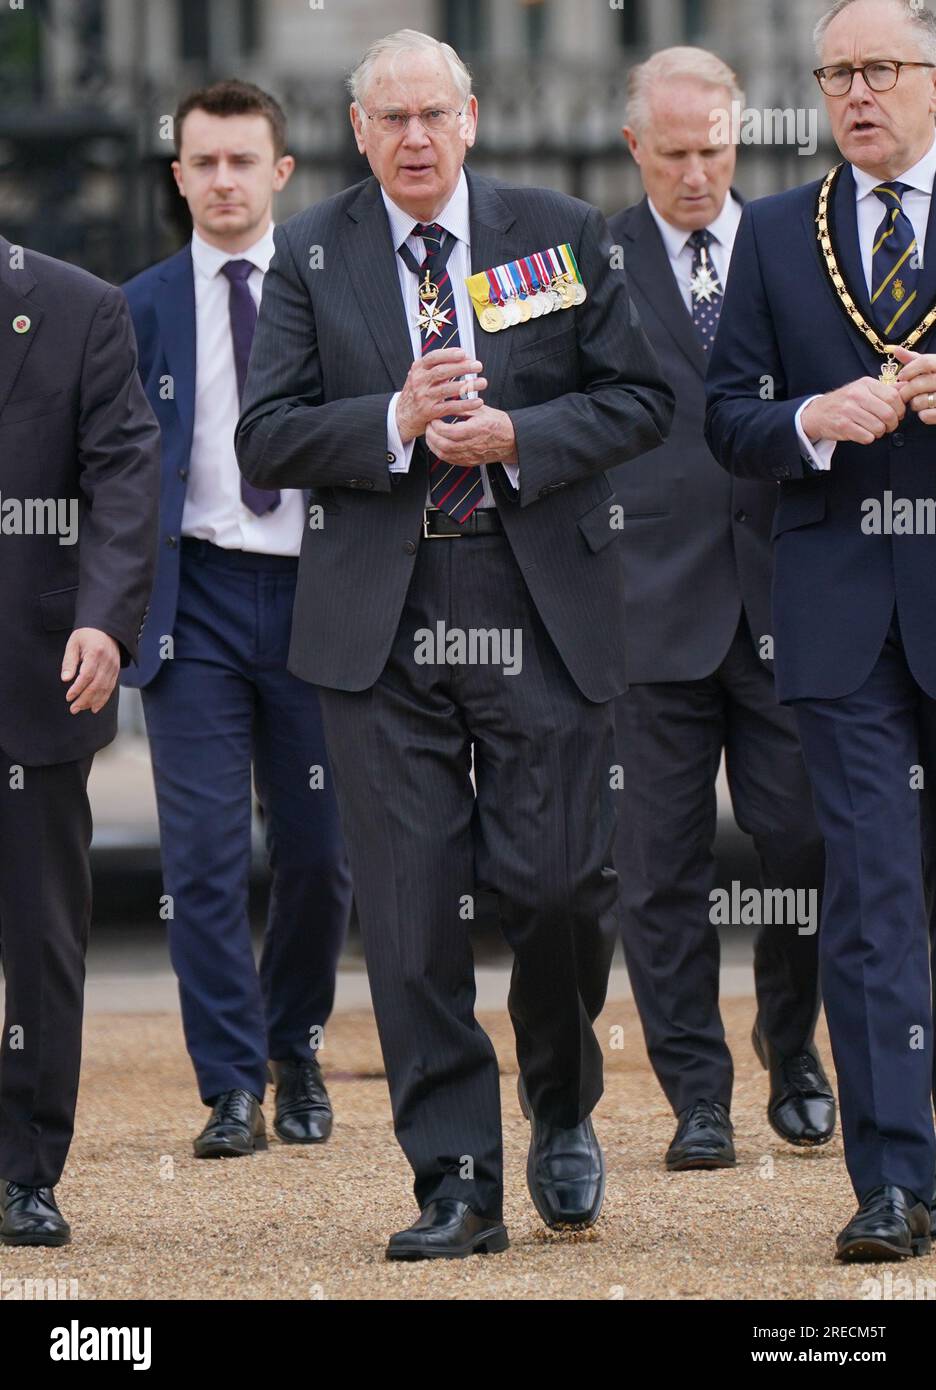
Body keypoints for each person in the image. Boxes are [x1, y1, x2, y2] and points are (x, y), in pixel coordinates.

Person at [236, 28, 673, 1258]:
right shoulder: (315, 252)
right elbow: (262, 436)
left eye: (434, 114)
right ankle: (459, 1178)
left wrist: (517, 435)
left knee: (557, 889)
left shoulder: (562, 231)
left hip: (536, 598)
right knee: (415, 913)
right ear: (359, 131)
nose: (415, 138)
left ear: (471, 117)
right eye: (392, 120)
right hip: (380, 618)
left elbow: (640, 399)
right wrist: (392, 420)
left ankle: (562, 1105)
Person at [706, 0, 936, 1261]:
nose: (857, 92)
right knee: (870, 901)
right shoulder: (781, 234)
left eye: (881, 69)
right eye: (837, 72)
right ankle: (893, 1178)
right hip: (841, 618)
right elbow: (723, 415)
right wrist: (810, 419)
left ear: (932, 82)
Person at [608, 47, 833, 1174]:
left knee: (801, 842)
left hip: (788, 595)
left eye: (715, 150)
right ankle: (696, 1092)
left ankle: (791, 1049)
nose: (697, 174)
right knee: (658, 870)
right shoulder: (576, 263)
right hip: (641, 613)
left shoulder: (800, 247)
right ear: (635, 146)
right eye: (675, 151)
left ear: (738, 141)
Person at [122, 80, 352, 1159]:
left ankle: (296, 1048)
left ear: (282, 172)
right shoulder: (140, 307)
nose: (222, 180)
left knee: (318, 853)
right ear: (179, 176)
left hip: (318, 598)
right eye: (202, 162)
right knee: (203, 859)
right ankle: (228, 1083)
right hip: (197, 601)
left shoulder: (333, 287)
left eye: (241, 161)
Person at [0, 233, 159, 1245]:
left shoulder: (79, 307)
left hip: (34, 666)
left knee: (40, 933)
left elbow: (125, 477)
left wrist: (103, 616)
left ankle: (25, 1171)